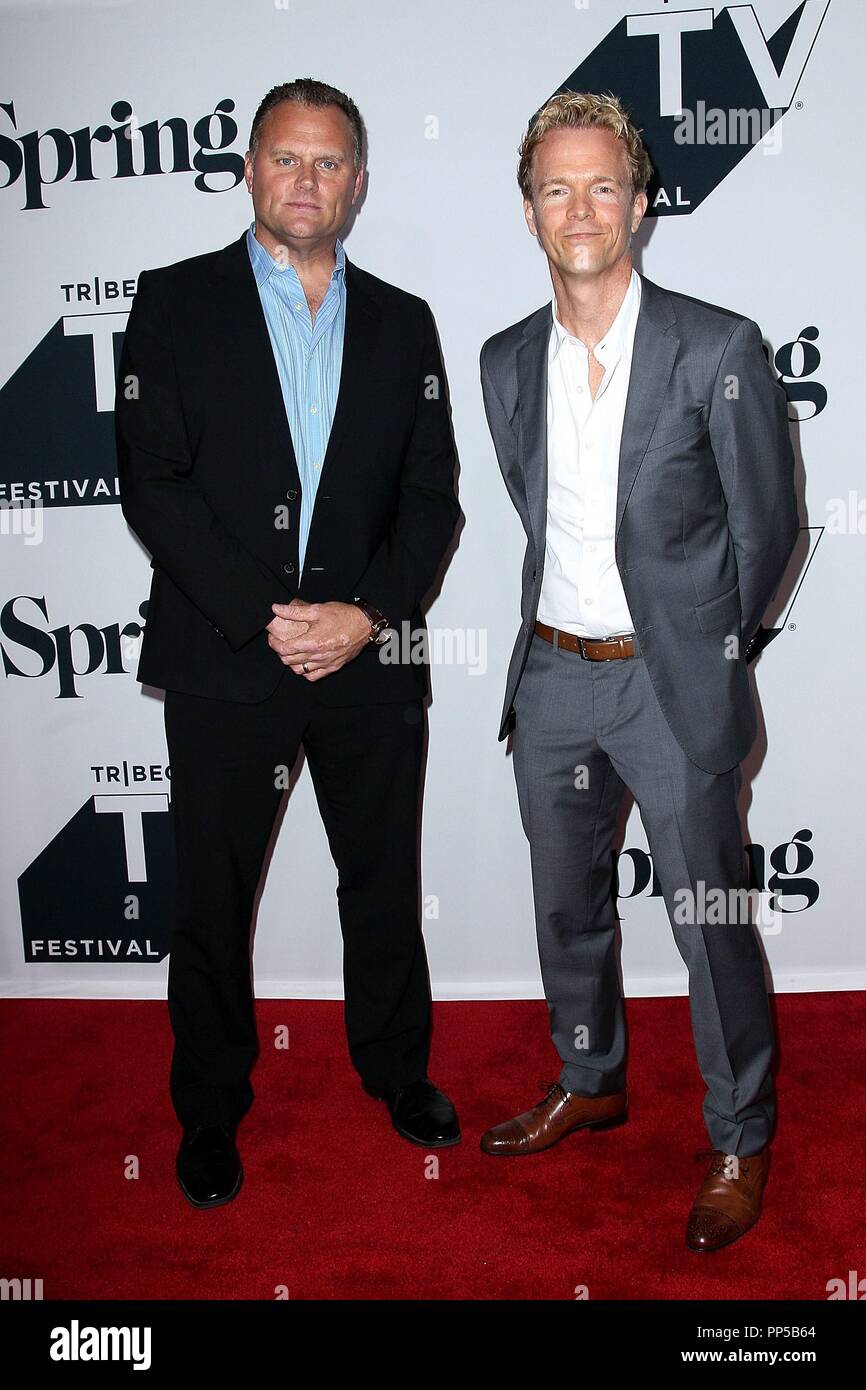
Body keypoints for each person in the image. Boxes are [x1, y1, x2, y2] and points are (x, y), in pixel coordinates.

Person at [115, 77, 461, 1209]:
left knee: (384, 878)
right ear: (248, 168)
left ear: (357, 183)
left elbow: (432, 500)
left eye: (328, 162)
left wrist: (364, 617)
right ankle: (210, 1106)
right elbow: (153, 484)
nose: (306, 181)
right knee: (211, 897)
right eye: (285, 158)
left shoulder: (405, 321)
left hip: (368, 659)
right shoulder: (174, 303)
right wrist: (264, 616)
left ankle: (397, 1068)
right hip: (228, 657)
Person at [478, 91, 799, 1251]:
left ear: (641, 202)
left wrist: (706, 651)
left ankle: (738, 1134)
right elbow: (537, 511)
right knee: (566, 909)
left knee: (707, 923)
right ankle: (590, 1079)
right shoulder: (503, 361)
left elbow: (769, 529)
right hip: (551, 679)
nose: (579, 210)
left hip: (669, 688)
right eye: (555, 188)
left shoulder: (716, 347)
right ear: (528, 211)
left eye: (602, 185)